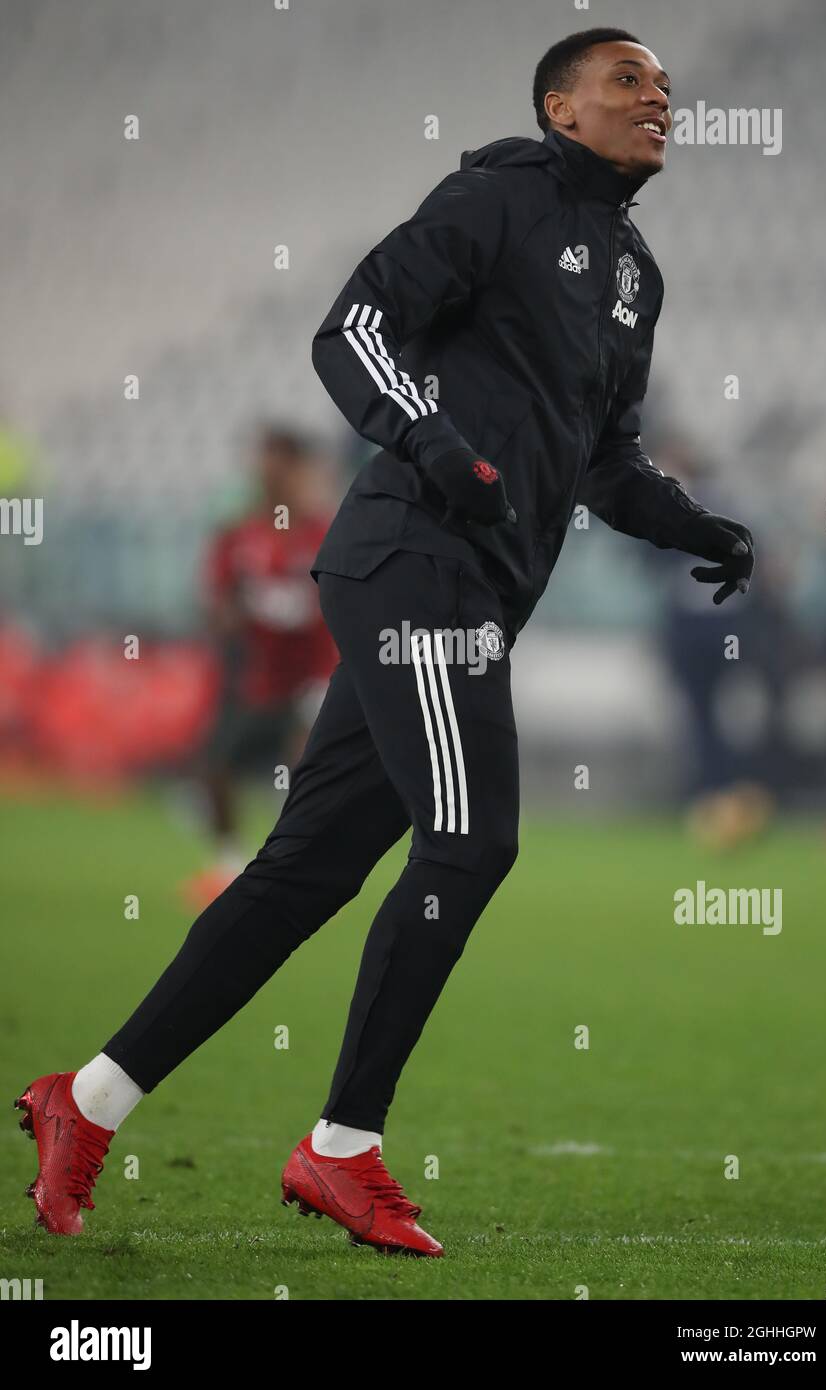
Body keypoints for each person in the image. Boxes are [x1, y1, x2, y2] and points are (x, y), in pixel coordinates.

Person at [15, 28, 754, 1258]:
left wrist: (693, 525)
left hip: (469, 586)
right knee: (470, 841)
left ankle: (82, 1104)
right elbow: (352, 329)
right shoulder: (493, 198)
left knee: (303, 872)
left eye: (666, 85)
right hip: (411, 559)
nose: (658, 98)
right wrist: (433, 449)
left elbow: (604, 459)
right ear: (559, 109)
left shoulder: (633, 274)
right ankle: (342, 1148)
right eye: (626, 80)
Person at [182, 427, 337, 909]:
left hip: (317, 674)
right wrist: (239, 614)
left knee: (300, 769)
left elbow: (343, 598)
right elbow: (217, 603)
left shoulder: (323, 531)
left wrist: (302, 609)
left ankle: (290, 872)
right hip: (258, 676)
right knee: (214, 770)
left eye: (279, 462)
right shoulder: (238, 534)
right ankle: (229, 865)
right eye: (263, 461)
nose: (268, 472)